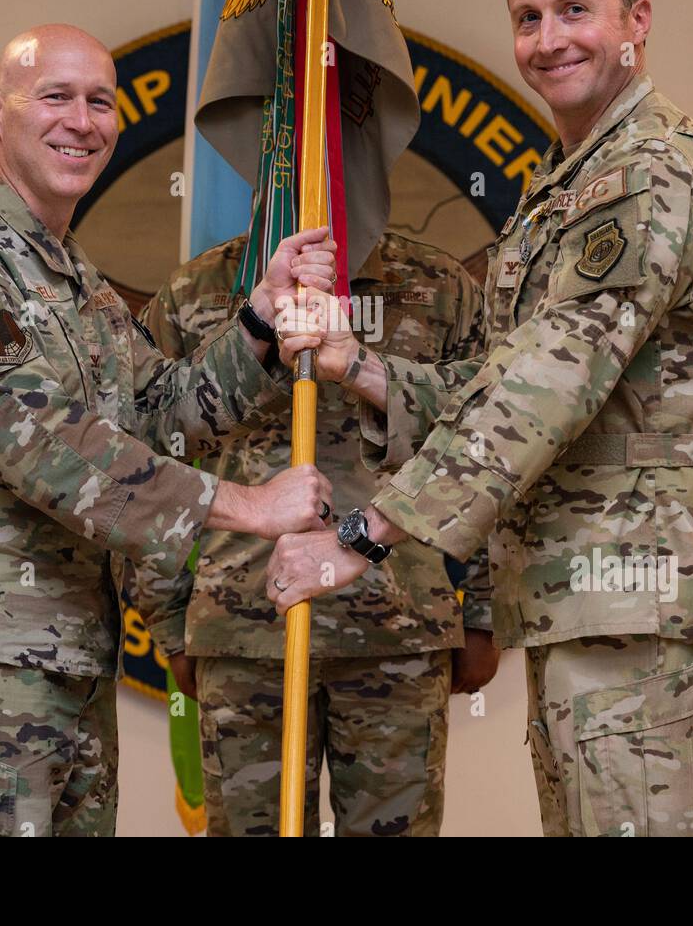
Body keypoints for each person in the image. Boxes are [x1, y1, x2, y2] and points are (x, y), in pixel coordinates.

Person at [269, 0, 693, 837]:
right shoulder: (565, 180)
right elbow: (500, 380)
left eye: (575, 10)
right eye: (528, 17)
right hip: (580, 600)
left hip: (634, 603)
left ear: (637, 20)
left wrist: (362, 535)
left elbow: (546, 387)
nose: (548, 38)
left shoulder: (647, 173)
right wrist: (354, 363)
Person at [0, 23, 336, 837]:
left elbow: (159, 416)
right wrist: (250, 506)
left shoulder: (82, 291)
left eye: (101, 102)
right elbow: (44, 448)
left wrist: (258, 317)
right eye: (56, 97)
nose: (84, 120)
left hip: (69, 671)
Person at [133, 229, 498, 836]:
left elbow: (490, 435)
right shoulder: (194, 292)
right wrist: (171, 620)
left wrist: (484, 609)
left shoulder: (440, 287)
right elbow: (147, 452)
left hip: (400, 627)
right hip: (246, 631)